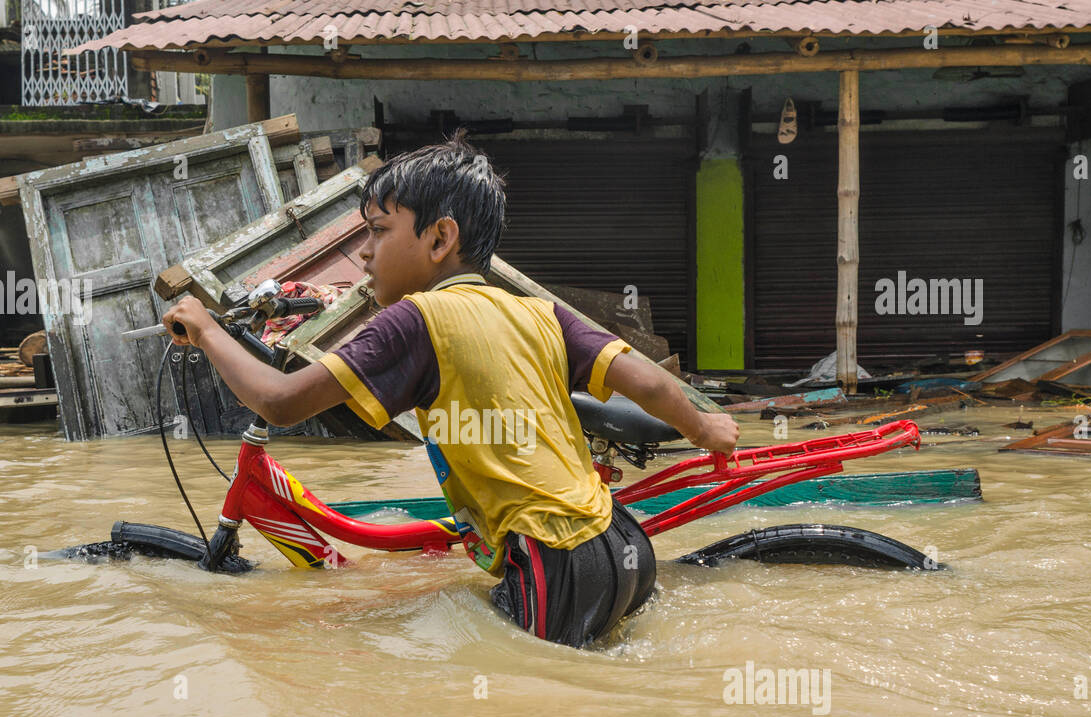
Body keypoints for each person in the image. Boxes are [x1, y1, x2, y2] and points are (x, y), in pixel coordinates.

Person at [160, 131, 739, 649]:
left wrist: (207, 329)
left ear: (440, 238)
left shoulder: (413, 320)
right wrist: (710, 430)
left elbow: (278, 402)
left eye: (379, 231)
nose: (363, 253)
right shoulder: (539, 312)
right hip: (621, 548)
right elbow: (651, 381)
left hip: (552, 565)